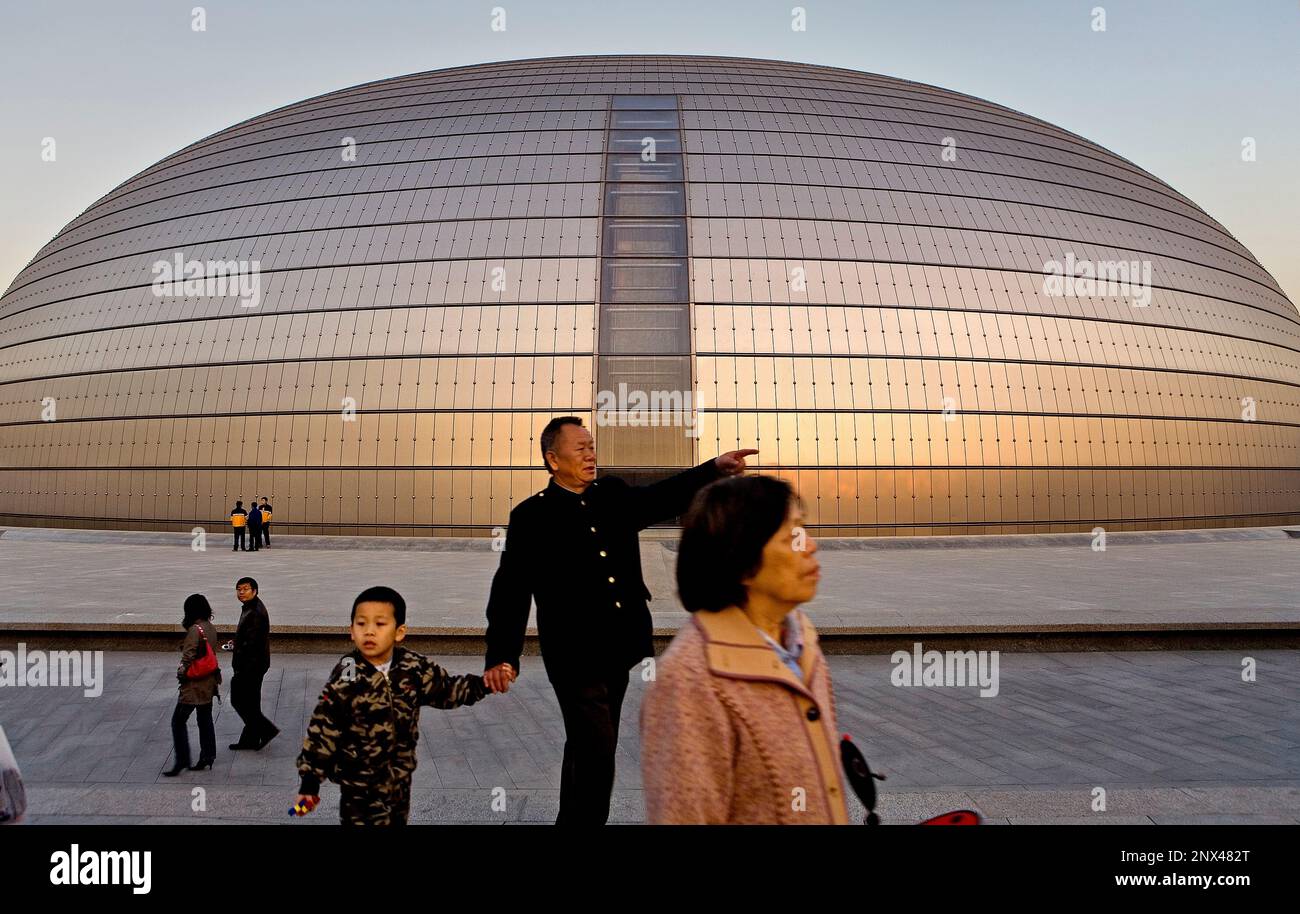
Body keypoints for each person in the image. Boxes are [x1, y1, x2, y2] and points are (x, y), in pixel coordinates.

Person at [482, 415, 757, 824]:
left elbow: (661, 496)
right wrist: (502, 655)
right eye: (580, 448)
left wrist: (712, 469)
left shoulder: (611, 493)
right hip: (573, 655)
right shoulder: (531, 517)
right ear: (553, 459)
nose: (591, 454)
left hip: (619, 647)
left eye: (592, 446)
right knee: (596, 749)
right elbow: (511, 590)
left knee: (590, 745)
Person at [639, 474, 849, 824]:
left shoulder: (800, 639)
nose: (810, 545)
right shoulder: (691, 682)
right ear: (743, 562)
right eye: (792, 536)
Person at [294, 586, 495, 825]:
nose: (369, 632)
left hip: (398, 783)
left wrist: (486, 683)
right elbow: (325, 723)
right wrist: (310, 782)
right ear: (351, 631)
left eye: (380, 624)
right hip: (358, 787)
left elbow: (448, 690)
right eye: (361, 624)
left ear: (399, 632)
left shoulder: (413, 667)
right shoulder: (348, 671)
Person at [164, 594, 222, 776]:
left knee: (178, 721)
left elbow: (188, 657)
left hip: (194, 685)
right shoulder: (210, 628)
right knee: (205, 719)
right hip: (209, 682)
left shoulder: (194, 630)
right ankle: (208, 756)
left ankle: (182, 760)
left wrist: (181, 674)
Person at [225, 577, 278, 750]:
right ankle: (250, 740)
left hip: (250, 666)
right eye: (239, 589)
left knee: (239, 700)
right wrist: (236, 642)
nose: (241, 592)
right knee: (251, 702)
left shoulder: (255, 612)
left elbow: (252, 644)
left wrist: (238, 649)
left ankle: (266, 730)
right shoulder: (251, 607)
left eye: (245, 589)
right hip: (255, 663)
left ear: (254, 591)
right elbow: (248, 637)